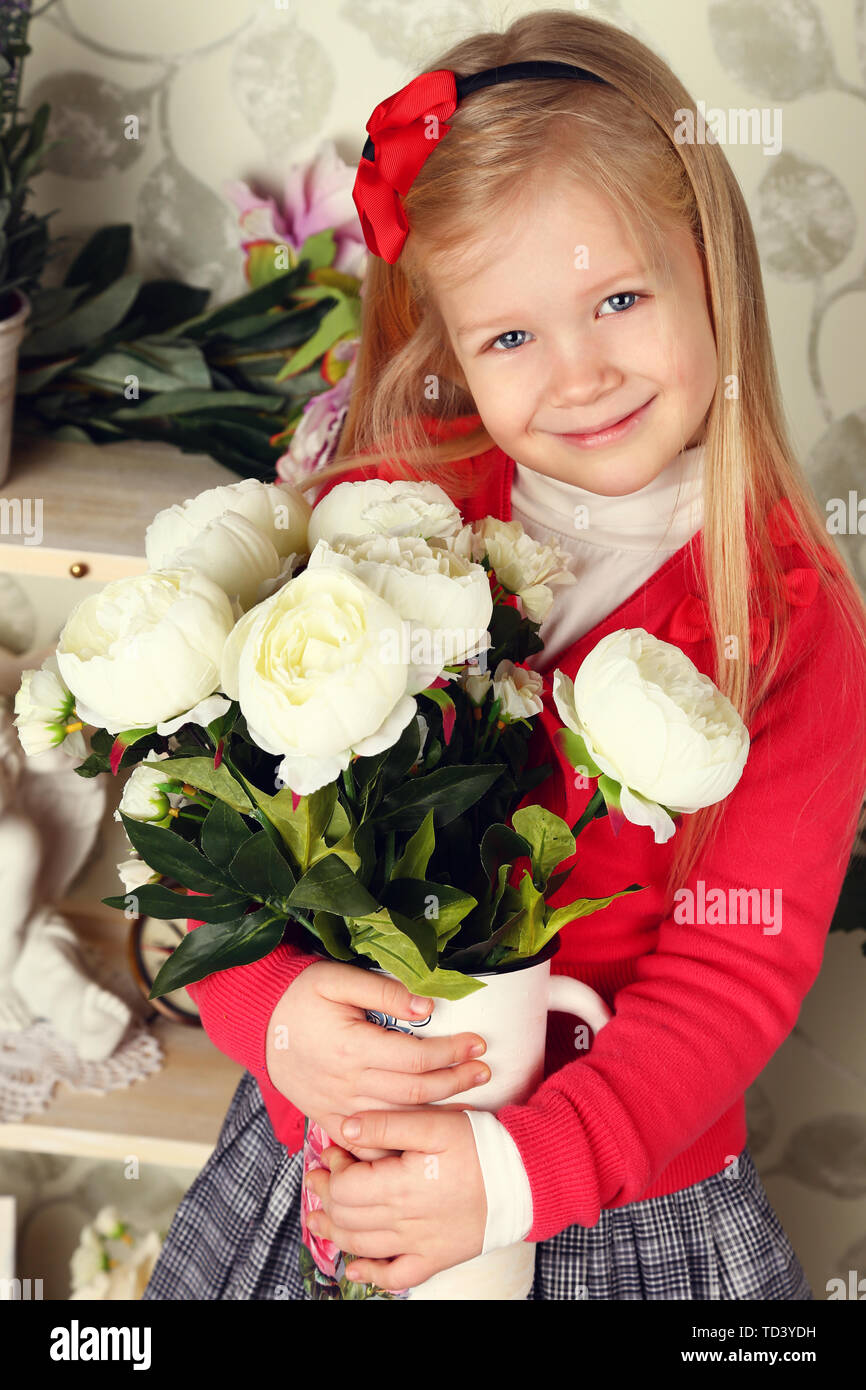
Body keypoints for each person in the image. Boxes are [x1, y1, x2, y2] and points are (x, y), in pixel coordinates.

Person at [144, 9, 866, 1301]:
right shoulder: (383, 518)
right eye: (512, 337)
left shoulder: (789, 614)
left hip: (613, 1193)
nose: (580, 372)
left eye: (620, 298)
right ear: (452, 344)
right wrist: (272, 1015)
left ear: (714, 270)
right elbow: (216, 818)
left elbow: (729, 972)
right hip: (333, 1165)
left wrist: (514, 1173)